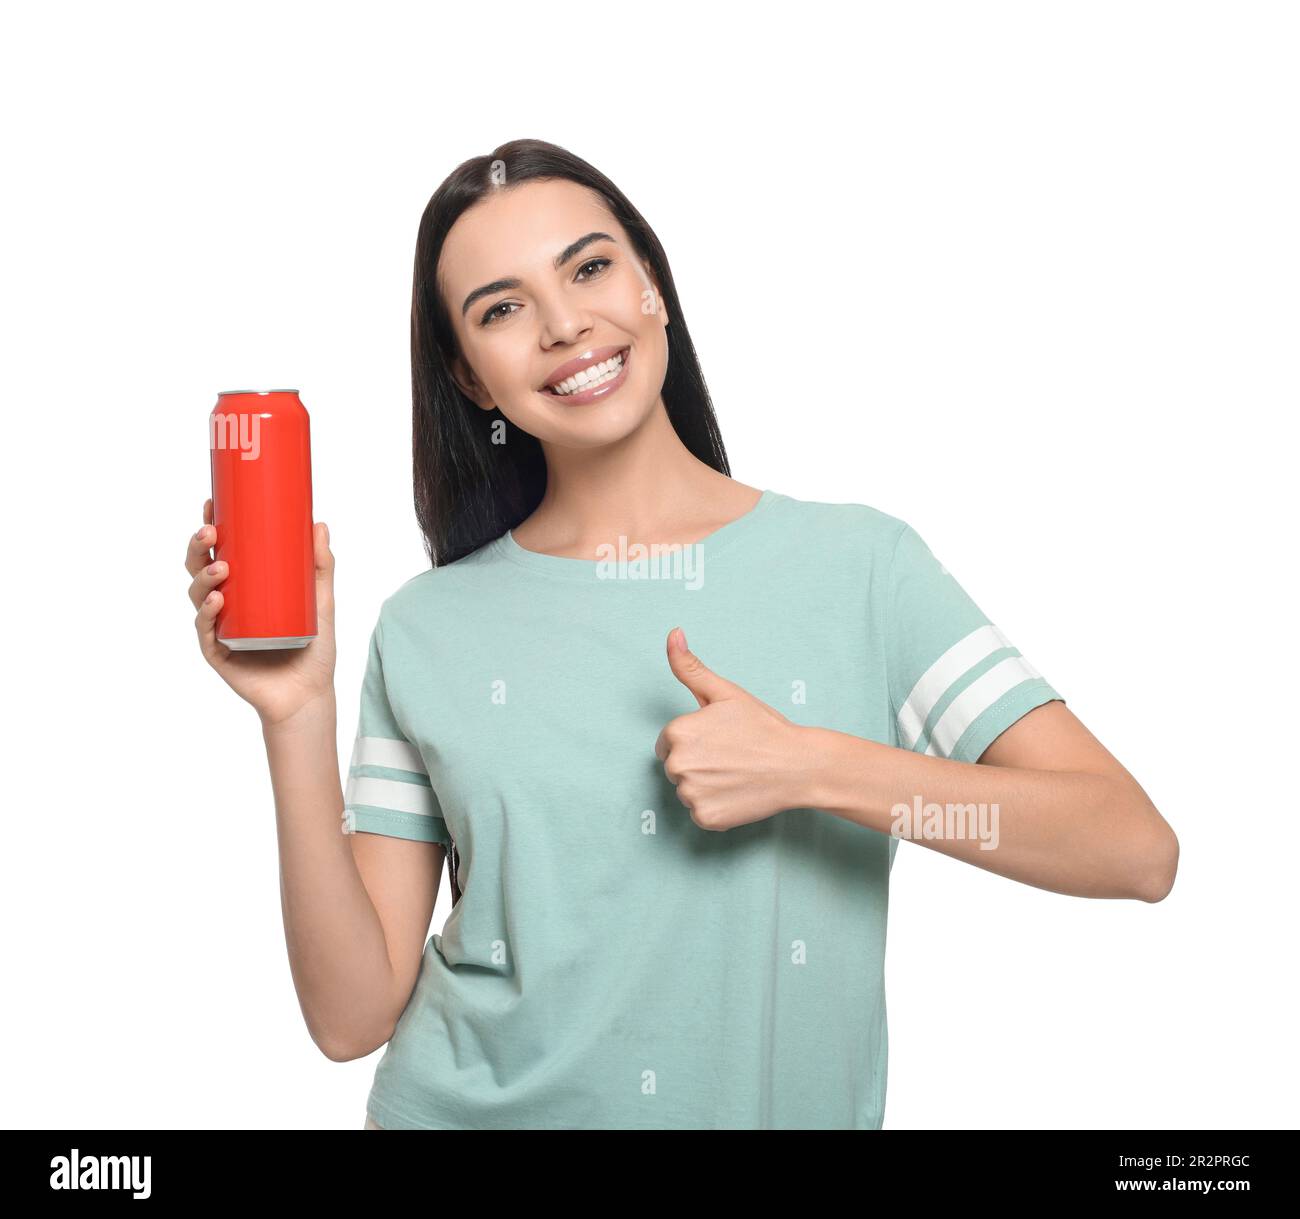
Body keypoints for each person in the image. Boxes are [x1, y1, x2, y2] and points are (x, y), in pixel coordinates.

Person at [185, 138, 1178, 1130]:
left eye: (589, 267)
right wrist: (296, 714)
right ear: (471, 377)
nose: (565, 322)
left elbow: (1132, 848)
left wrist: (810, 766)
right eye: (501, 308)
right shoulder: (425, 628)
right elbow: (350, 1016)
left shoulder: (860, 565)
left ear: (652, 285)